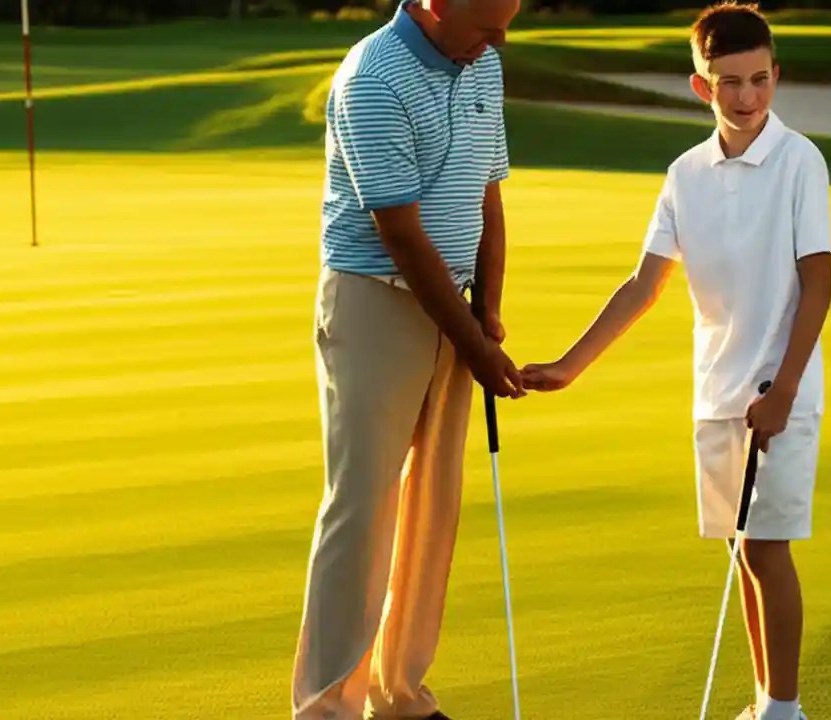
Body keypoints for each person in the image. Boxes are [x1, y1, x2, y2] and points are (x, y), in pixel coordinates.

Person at [521, 3, 831, 719]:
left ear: (776, 76)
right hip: (718, 391)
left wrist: (785, 390)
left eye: (760, 79)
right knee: (739, 554)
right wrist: (570, 365)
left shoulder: (799, 162)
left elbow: (818, 281)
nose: (748, 96)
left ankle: (785, 710)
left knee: (765, 552)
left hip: (778, 394)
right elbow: (644, 284)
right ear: (703, 88)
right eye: (731, 83)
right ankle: (764, 704)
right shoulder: (685, 174)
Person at [291, 0, 524, 718]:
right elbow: (402, 237)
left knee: (434, 503)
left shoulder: (481, 59)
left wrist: (487, 308)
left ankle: (399, 692)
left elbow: (488, 196)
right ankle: (326, 704)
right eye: (489, 21)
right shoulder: (372, 78)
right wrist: (479, 352)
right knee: (362, 508)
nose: (501, 37)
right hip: (374, 303)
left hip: (451, 304)